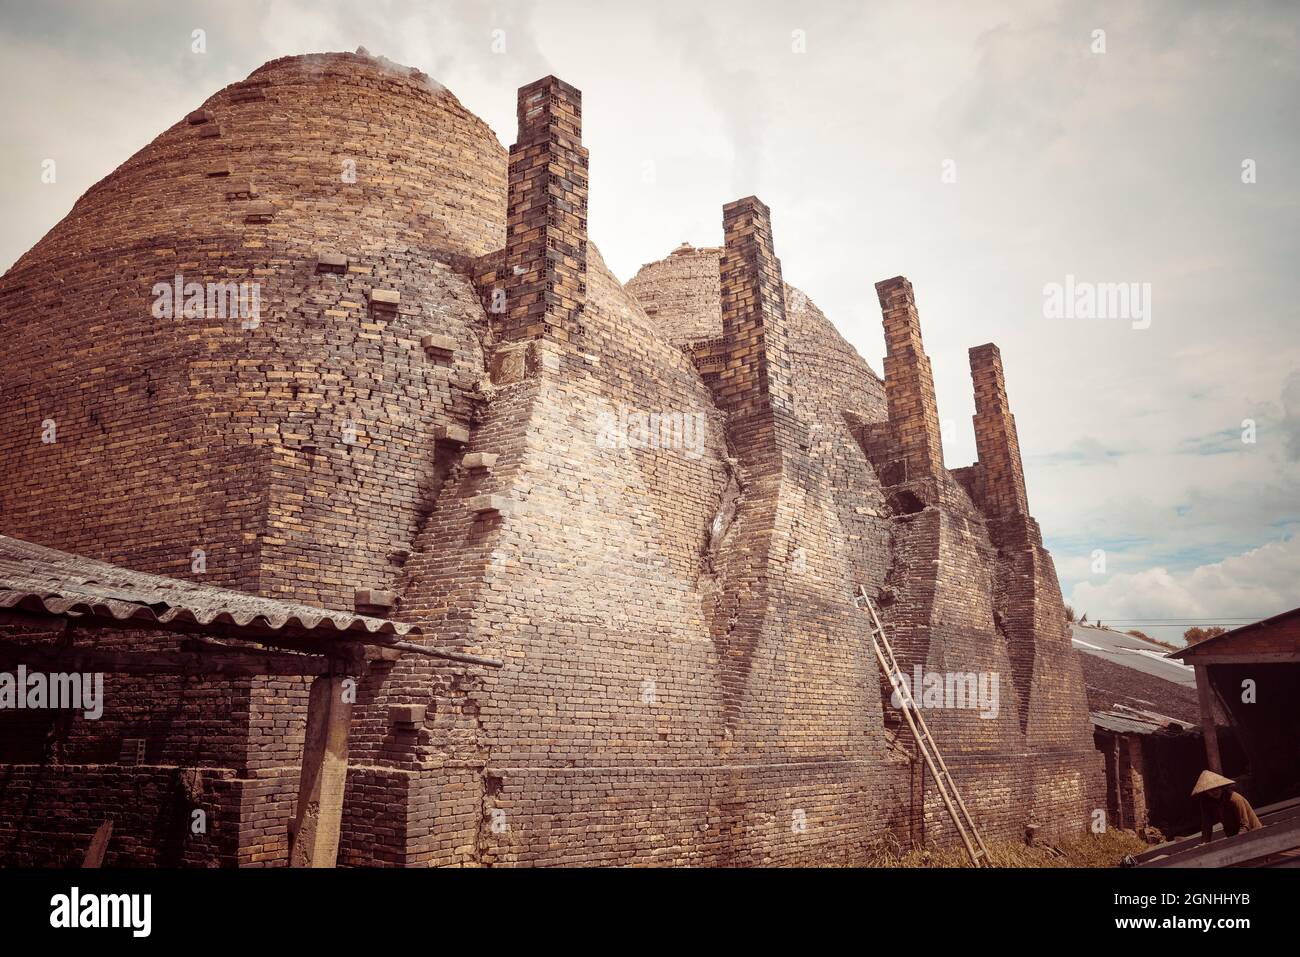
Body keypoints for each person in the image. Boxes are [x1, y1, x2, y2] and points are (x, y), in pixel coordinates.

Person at [1192, 770, 1262, 843]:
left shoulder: (1234, 799)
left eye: (1216, 788)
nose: (1214, 791)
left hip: (1253, 832)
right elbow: (1206, 826)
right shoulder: (1206, 803)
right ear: (1205, 792)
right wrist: (1205, 843)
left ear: (1221, 787)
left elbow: (1245, 825)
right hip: (1233, 835)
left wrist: (1237, 840)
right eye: (1210, 790)